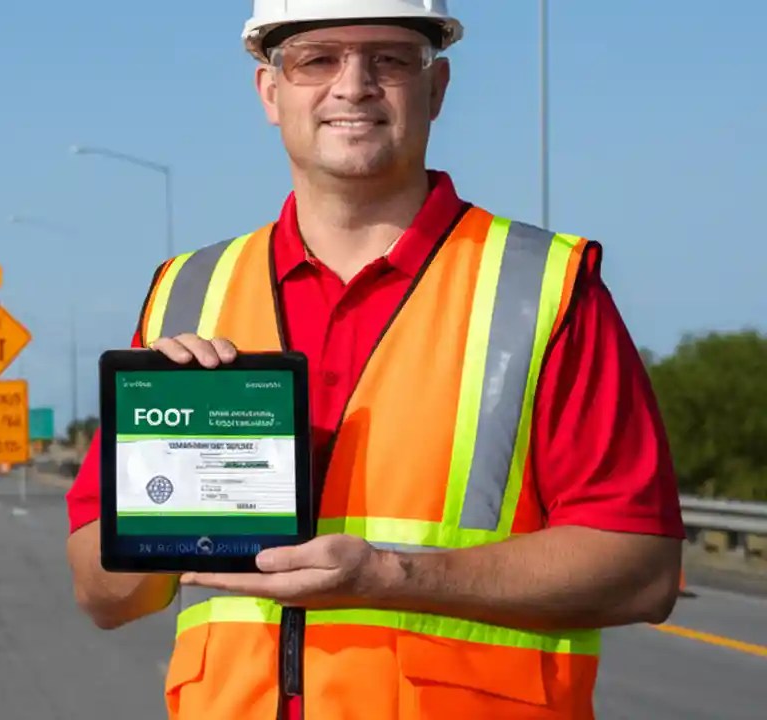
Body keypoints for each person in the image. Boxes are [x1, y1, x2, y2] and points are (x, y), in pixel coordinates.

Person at [64, 1, 685, 718]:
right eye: (316, 58)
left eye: (389, 59)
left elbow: (642, 571)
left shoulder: (541, 289)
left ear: (438, 87)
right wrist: (162, 492)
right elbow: (101, 595)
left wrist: (390, 576)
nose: (353, 84)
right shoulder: (187, 293)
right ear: (270, 91)